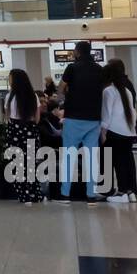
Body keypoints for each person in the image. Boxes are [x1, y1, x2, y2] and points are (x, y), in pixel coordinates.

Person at [56, 41, 105, 203]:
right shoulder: (99, 69)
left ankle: (65, 194)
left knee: (69, 156)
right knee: (91, 157)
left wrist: (64, 102)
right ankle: (91, 194)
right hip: (93, 119)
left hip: (73, 118)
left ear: (77, 52)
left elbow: (60, 88)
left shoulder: (72, 68)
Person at [3, 69, 43, 205]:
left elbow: (7, 117)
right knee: (31, 163)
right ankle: (35, 194)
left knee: (18, 164)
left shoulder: (9, 97)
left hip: (14, 131)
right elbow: (37, 119)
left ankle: (24, 194)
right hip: (30, 130)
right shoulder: (34, 96)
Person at [102, 60, 137, 203]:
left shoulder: (108, 91)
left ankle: (122, 192)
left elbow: (106, 114)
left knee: (117, 162)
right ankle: (131, 192)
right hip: (128, 132)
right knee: (128, 161)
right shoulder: (127, 91)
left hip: (113, 132)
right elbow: (133, 112)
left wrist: (103, 132)